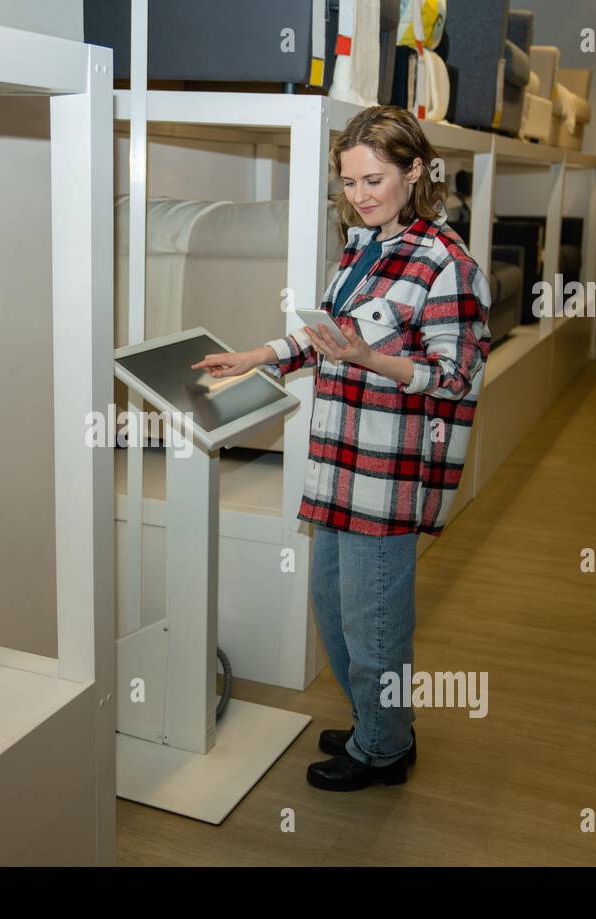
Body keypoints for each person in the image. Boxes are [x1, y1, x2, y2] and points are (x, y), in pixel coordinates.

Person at [191, 104, 491, 792]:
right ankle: (378, 723)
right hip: (338, 464)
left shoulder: (446, 264)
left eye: (373, 179)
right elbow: (325, 334)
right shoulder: (364, 246)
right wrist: (257, 355)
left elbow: (455, 377)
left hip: (385, 475)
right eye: (348, 182)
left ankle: (382, 751)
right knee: (333, 603)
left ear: (416, 172)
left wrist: (368, 357)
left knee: (375, 621)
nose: (358, 196)